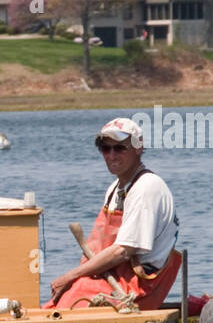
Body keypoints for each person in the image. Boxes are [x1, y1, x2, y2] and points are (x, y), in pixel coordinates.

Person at [47, 117, 180, 310]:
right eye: (105, 148)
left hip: (138, 287)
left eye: (119, 148)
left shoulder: (147, 188)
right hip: (115, 275)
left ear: (138, 148)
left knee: (75, 293)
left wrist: (71, 276)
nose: (111, 155)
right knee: (64, 295)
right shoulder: (114, 189)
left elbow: (123, 251)